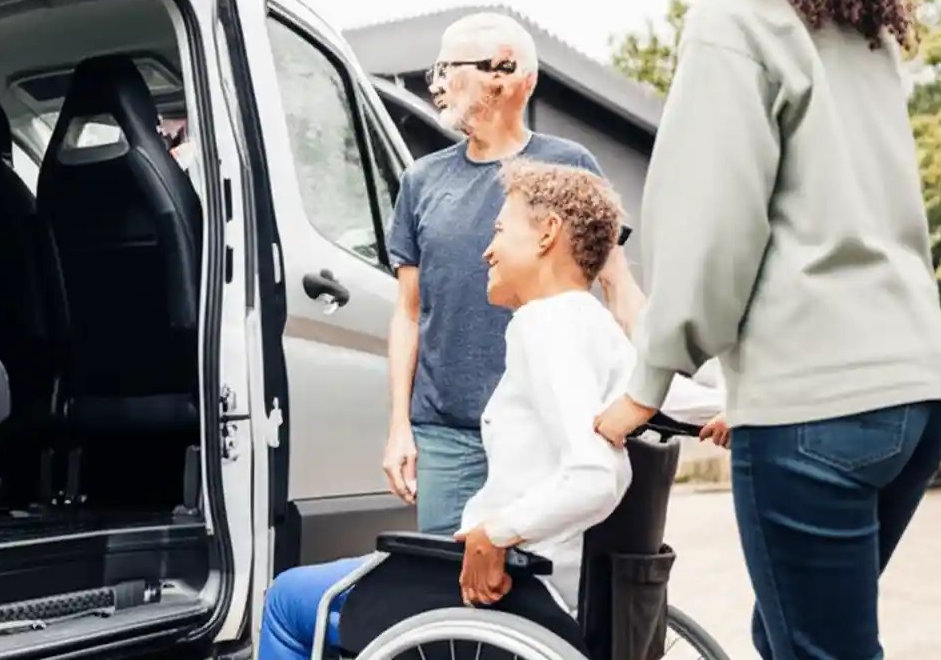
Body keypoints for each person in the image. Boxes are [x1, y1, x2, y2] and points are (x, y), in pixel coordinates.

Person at [591, 0, 941, 657]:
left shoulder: (730, 21)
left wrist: (649, 378)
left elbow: (712, 228)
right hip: (920, 392)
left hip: (816, 404)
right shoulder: (863, 29)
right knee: (793, 631)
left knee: (811, 644)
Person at [259, 160, 726, 660]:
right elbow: (679, 399)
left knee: (288, 600)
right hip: (571, 593)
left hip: (514, 588)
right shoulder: (596, 327)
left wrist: (494, 534)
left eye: (500, 230)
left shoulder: (544, 326)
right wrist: (734, 409)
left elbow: (595, 475)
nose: (488, 249)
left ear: (547, 233)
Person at [384, 12, 625, 536]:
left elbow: (618, 285)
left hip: (546, 429)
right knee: (443, 590)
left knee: (541, 588)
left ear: (506, 72)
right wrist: (399, 427)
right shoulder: (421, 181)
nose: (438, 84)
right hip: (446, 434)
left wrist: (648, 388)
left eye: (448, 68)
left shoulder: (569, 165)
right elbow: (408, 312)